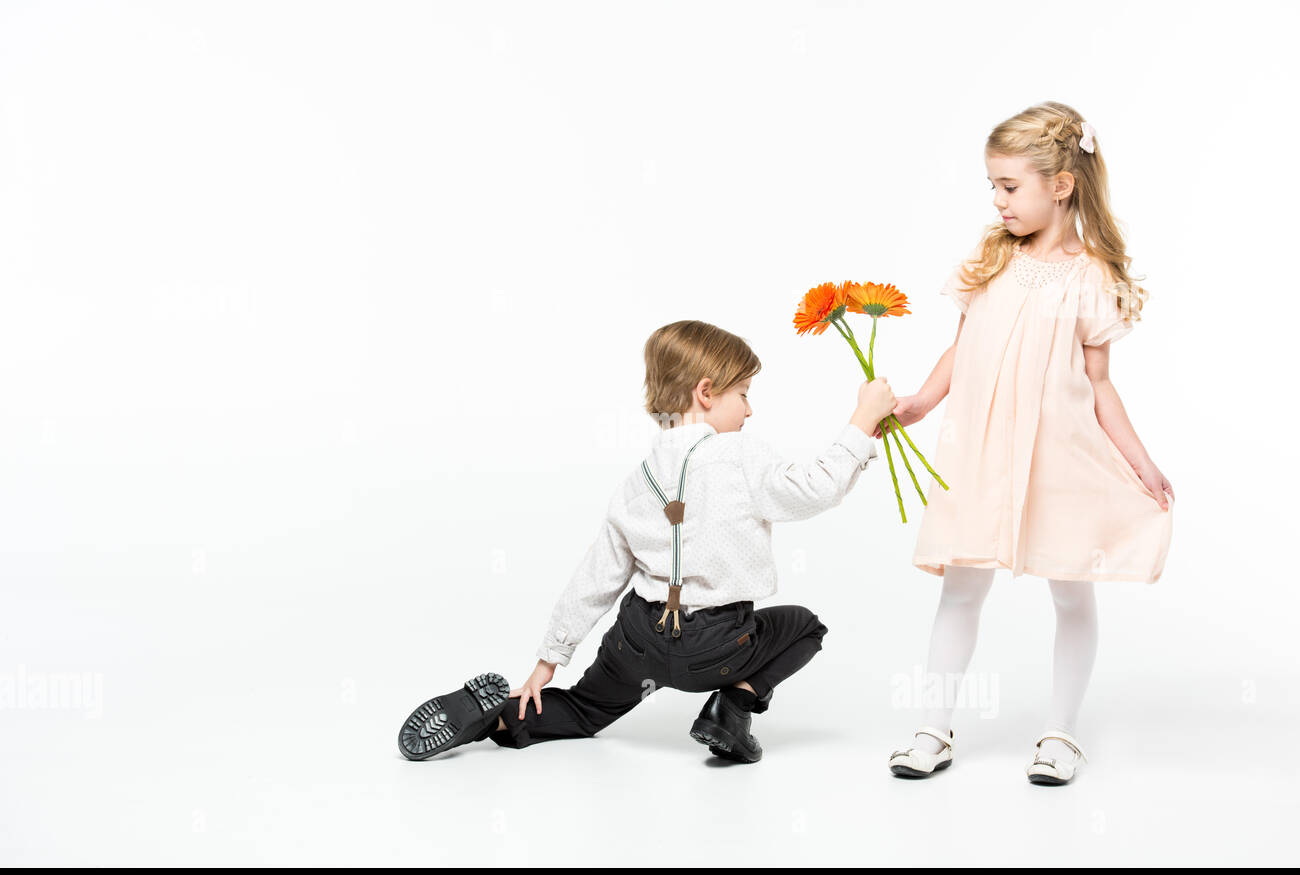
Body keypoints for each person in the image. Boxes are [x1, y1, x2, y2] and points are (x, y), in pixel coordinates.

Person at [398, 319, 896, 763]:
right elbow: (813, 489)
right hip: (716, 648)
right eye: (743, 393)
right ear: (707, 392)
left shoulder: (638, 480)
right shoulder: (738, 453)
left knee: (584, 710)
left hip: (636, 643)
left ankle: (501, 717)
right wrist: (862, 421)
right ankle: (731, 710)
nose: (749, 410)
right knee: (804, 626)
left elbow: (597, 577)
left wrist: (548, 659)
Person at [884, 101, 1174, 785]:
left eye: (1009, 186)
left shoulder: (1090, 276)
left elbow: (1100, 385)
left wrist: (1141, 461)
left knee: (1072, 594)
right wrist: (922, 403)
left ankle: (1061, 733)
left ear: (1062, 184)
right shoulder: (989, 261)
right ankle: (933, 725)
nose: (997, 199)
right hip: (980, 454)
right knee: (961, 588)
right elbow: (962, 348)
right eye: (992, 185)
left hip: (1059, 459)